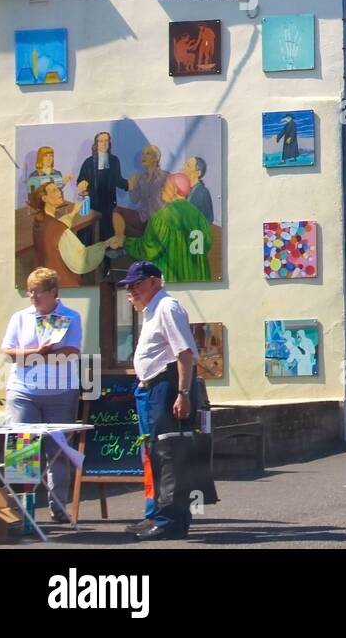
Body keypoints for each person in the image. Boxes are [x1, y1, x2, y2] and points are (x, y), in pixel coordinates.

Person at [121, 260, 198, 541]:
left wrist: (184, 393)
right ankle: (157, 514)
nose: (132, 291)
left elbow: (185, 354)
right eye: (129, 286)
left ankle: (171, 520)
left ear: (154, 281)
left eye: (136, 284)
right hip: (151, 387)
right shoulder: (152, 309)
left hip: (166, 386)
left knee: (169, 455)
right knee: (155, 454)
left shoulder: (167, 307)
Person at [1, 268, 83, 523]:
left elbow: (70, 352)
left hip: (60, 392)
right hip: (24, 391)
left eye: (38, 291)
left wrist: (38, 355)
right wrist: (40, 351)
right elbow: (8, 352)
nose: (32, 296)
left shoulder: (71, 316)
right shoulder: (21, 317)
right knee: (22, 451)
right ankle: (23, 511)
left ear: (53, 292)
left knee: (57, 450)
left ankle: (58, 507)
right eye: (30, 291)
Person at [116, 173, 213, 282]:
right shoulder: (200, 217)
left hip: (173, 283)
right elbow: (207, 243)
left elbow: (148, 250)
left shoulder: (162, 217)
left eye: (165, 186)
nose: (162, 190)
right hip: (200, 280)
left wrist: (125, 241)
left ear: (175, 190)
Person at [76, 131, 129, 242]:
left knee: (106, 233)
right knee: (89, 234)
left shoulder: (114, 161)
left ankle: (106, 257)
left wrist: (129, 184)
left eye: (106, 141)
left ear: (109, 143)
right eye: (101, 141)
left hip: (108, 203)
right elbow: (81, 179)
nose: (104, 143)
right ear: (96, 144)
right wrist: (81, 183)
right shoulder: (89, 162)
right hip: (92, 203)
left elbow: (118, 180)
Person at [127, 145, 170, 221]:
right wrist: (131, 185)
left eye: (148, 153)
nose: (143, 156)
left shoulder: (166, 176)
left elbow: (172, 201)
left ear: (156, 158)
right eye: (142, 154)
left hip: (160, 220)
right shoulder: (140, 178)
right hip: (142, 218)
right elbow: (134, 200)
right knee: (117, 211)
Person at [183, 156, 214, 224]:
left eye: (188, 166)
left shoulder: (203, 193)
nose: (183, 168)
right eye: (185, 164)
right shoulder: (185, 189)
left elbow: (208, 220)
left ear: (198, 173)